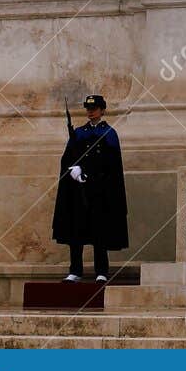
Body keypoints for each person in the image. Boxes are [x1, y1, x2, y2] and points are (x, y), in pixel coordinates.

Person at [52, 94, 128, 282]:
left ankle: (101, 271)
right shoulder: (79, 133)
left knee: (100, 231)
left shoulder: (109, 134)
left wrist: (92, 176)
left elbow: (112, 166)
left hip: (100, 192)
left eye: (94, 109)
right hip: (79, 191)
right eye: (88, 109)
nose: (90, 112)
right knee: (76, 230)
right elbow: (67, 158)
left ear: (102, 110)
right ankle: (75, 270)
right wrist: (73, 171)